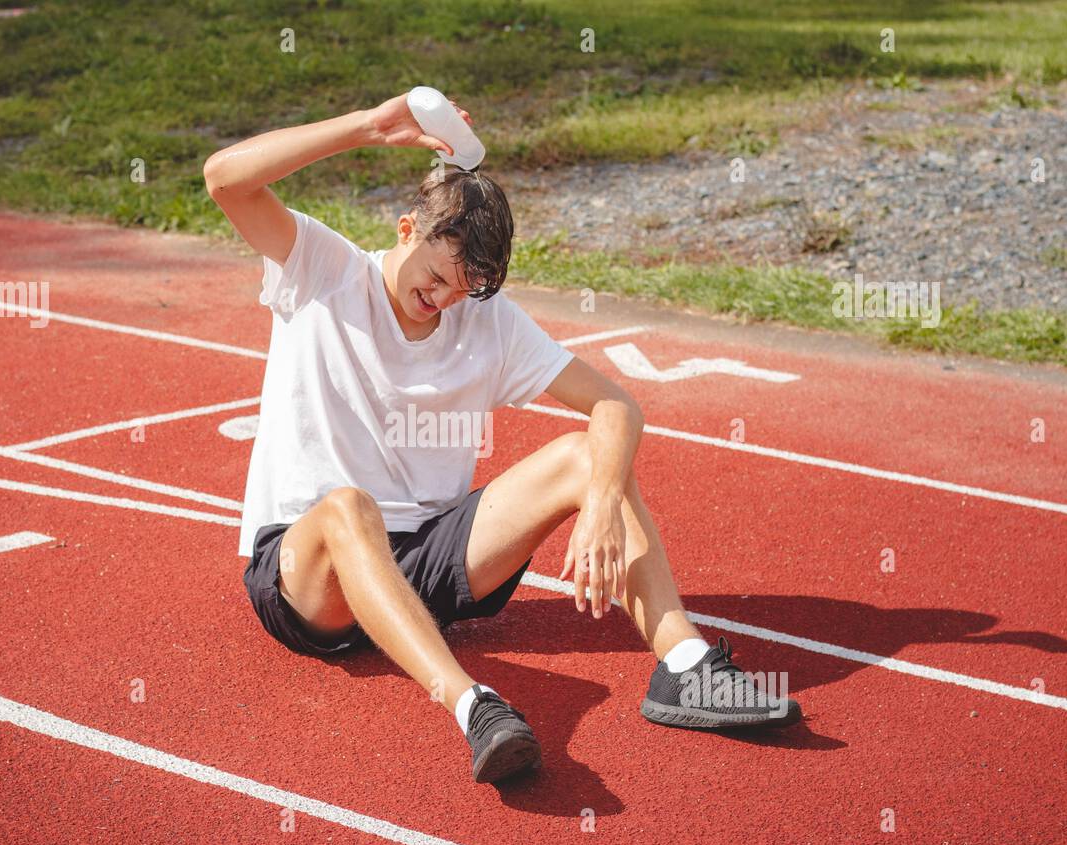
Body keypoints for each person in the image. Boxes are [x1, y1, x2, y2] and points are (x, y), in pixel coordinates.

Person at [203, 92, 801, 785]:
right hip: (311, 580)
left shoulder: (485, 320)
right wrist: (369, 128)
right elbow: (225, 177)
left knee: (587, 455)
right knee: (347, 507)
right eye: (435, 279)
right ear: (405, 230)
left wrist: (603, 499)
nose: (444, 301)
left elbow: (614, 404)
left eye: (464, 292)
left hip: (425, 561)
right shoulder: (323, 271)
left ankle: (685, 668)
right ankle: (473, 707)